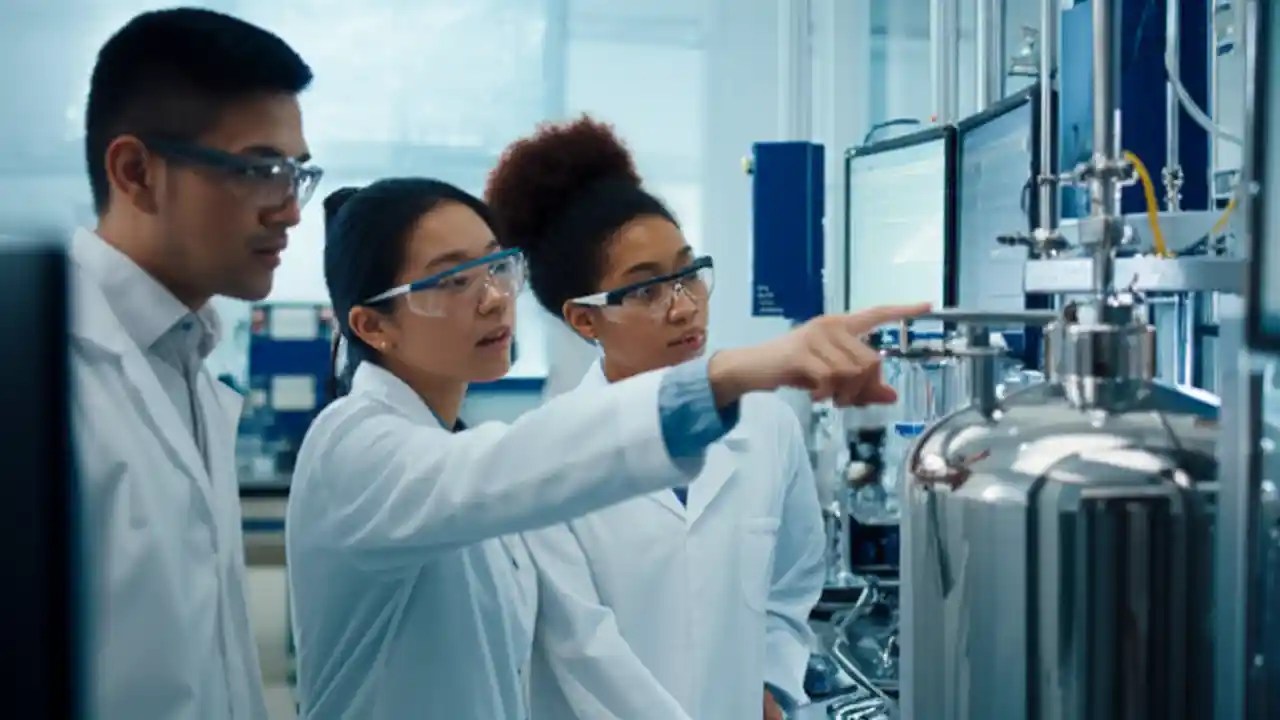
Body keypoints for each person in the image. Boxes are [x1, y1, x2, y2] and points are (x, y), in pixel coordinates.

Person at [284, 177, 926, 719]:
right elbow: (508, 479)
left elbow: (790, 582)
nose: (492, 297)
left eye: (494, 265)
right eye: (451, 280)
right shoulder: (355, 448)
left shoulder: (454, 445)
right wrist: (731, 374)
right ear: (371, 326)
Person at [485, 116, 825, 720]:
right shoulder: (547, 456)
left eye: (689, 272)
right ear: (585, 320)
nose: (685, 306)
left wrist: (771, 681)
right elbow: (582, 649)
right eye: (646, 291)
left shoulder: (767, 425)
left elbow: (791, 585)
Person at [70, 8, 319, 719]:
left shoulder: (192, 372)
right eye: (260, 169)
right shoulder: (43, 379)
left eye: (296, 172)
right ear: (136, 171)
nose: (290, 210)